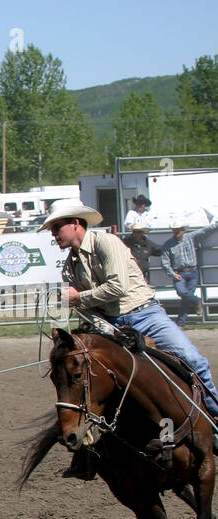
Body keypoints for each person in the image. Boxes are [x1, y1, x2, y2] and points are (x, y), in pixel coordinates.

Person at [45, 198, 218, 479]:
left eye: (56, 228)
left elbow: (118, 286)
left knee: (194, 360)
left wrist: (78, 297)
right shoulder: (70, 266)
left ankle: (214, 418)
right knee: (85, 375)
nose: (54, 235)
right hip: (111, 323)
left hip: (145, 315)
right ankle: (86, 454)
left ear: (75, 224)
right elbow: (88, 307)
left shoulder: (106, 243)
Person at [160, 211, 218, 327]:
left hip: (192, 271)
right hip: (179, 273)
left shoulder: (190, 238)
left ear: (184, 230)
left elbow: (205, 231)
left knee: (185, 297)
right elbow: (165, 262)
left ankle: (180, 322)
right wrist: (172, 274)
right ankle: (196, 301)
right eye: (175, 229)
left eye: (179, 229)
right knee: (182, 292)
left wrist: (215, 224)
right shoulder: (168, 244)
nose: (177, 231)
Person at [124, 222, 162, 287]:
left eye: (138, 232)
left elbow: (159, 251)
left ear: (142, 233)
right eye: (134, 232)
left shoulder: (148, 244)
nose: (136, 234)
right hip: (129, 274)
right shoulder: (125, 242)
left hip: (143, 274)